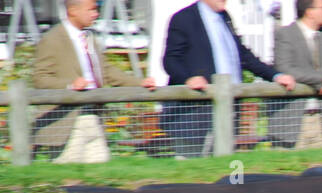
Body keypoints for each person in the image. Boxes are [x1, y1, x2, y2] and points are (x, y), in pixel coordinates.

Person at [161, 0, 296, 156]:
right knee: (193, 171)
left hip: (227, 112)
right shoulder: (184, 18)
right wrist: (188, 79)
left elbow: (243, 56)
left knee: (223, 170)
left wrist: (275, 75)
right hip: (194, 116)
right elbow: (171, 60)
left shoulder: (224, 17)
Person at [33, 0, 157, 163]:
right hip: (68, 121)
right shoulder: (52, 39)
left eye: (96, 9)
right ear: (73, 11)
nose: (96, 14)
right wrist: (69, 85)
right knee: (69, 177)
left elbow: (106, 71)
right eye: (91, 9)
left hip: (94, 116)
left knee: (99, 174)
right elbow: (40, 78)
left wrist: (138, 82)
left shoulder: (89, 37)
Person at [268, 0, 322, 149]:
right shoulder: (285, 34)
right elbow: (285, 68)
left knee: (321, 169)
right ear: (309, 12)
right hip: (291, 122)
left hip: (319, 119)